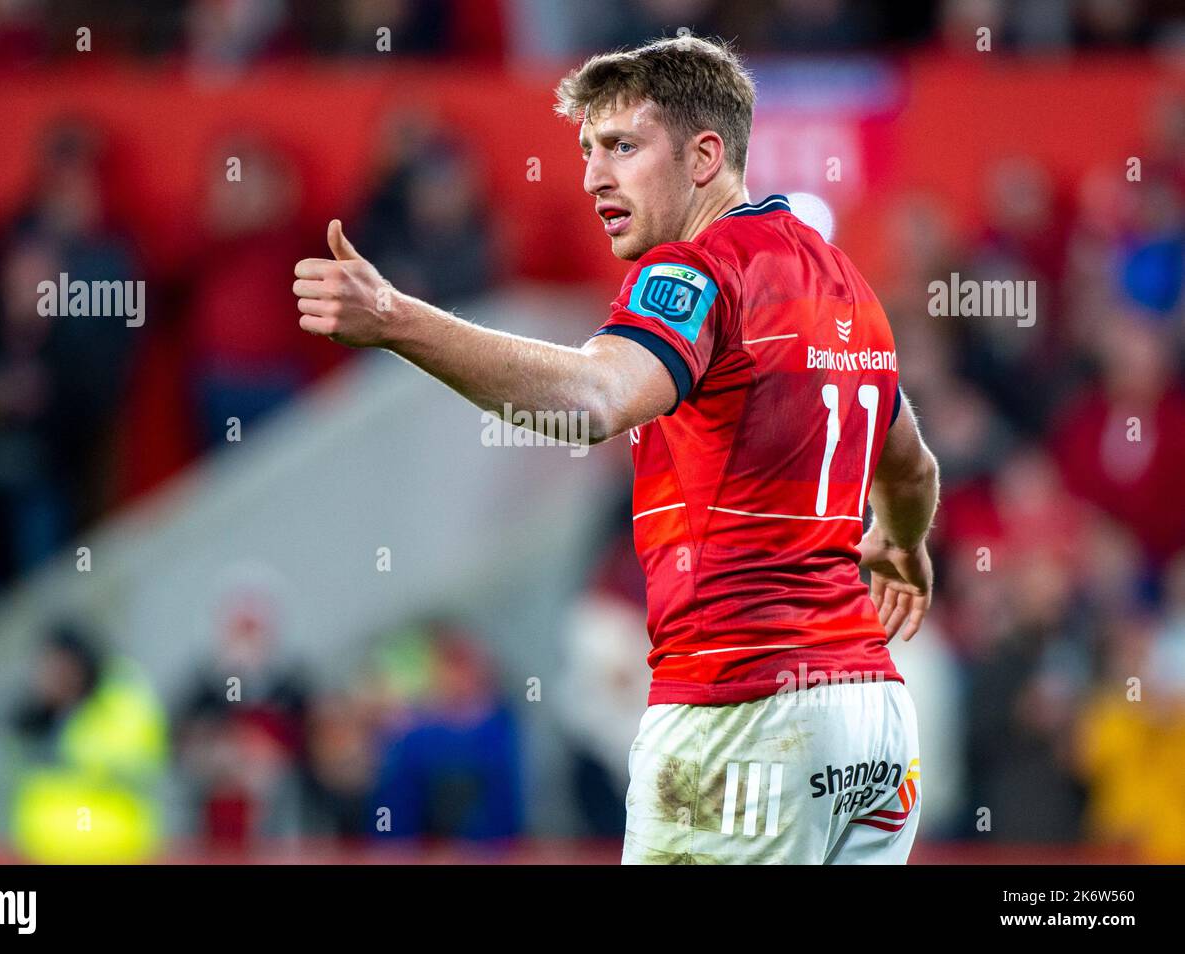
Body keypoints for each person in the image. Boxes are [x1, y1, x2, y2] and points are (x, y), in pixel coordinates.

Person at [291, 36, 940, 864]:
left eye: (625, 147)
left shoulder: (698, 271)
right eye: (589, 151)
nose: (596, 175)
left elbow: (592, 400)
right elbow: (911, 465)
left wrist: (398, 320)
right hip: (872, 722)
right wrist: (904, 544)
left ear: (706, 156)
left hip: (739, 714)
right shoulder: (842, 283)